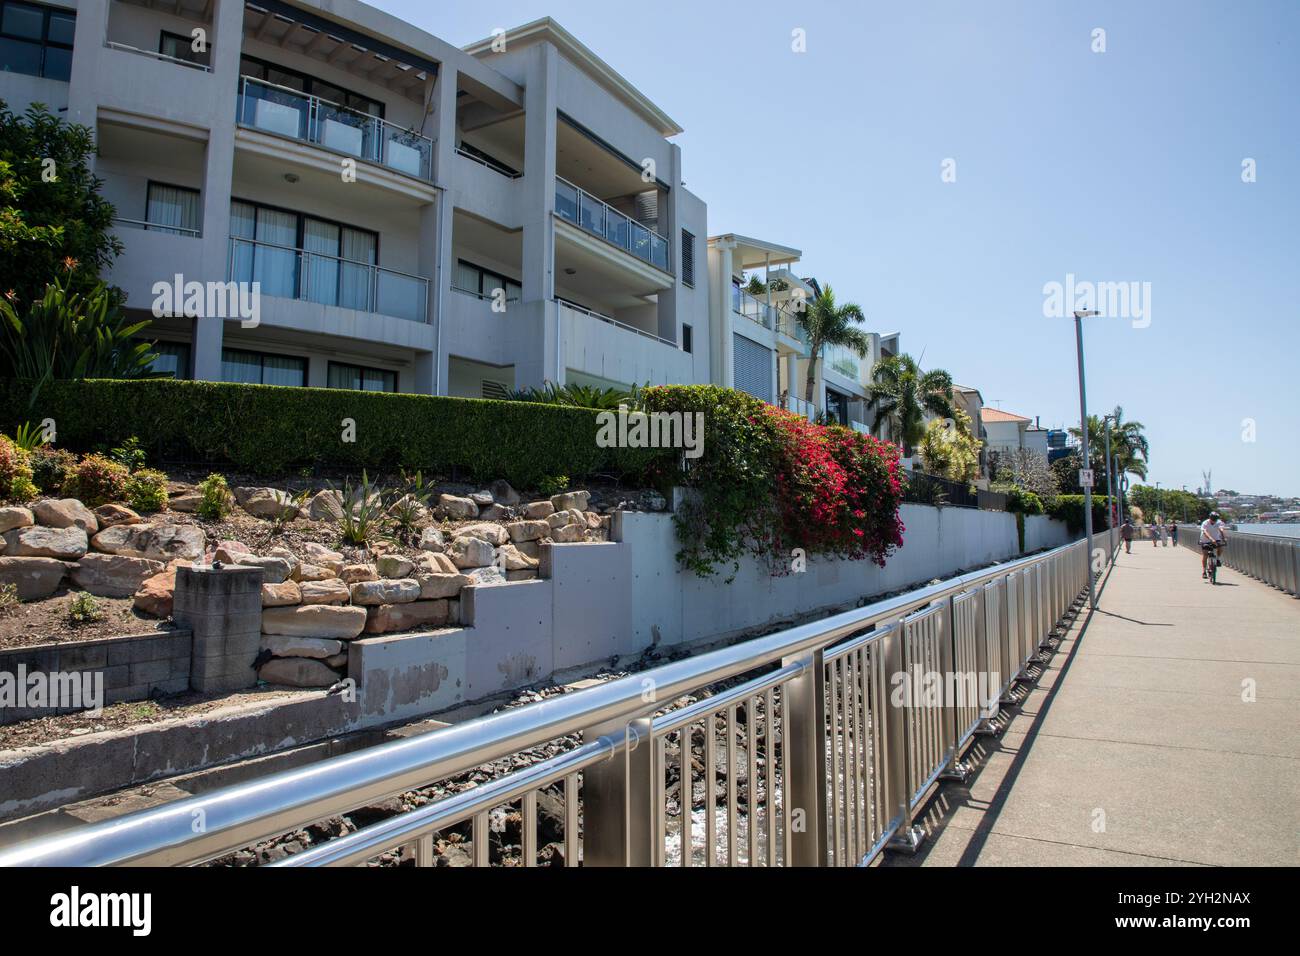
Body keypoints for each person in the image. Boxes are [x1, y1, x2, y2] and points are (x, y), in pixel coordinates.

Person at [1199, 511, 1228, 579]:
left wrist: (1224, 538)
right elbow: (1205, 532)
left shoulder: (1219, 522)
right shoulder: (1205, 523)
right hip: (1205, 539)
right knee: (1205, 554)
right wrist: (1211, 539)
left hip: (1216, 538)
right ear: (1210, 518)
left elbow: (1221, 529)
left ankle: (1217, 559)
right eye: (1212, 519)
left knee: (1220, 548)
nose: (1213, 521)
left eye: (1215, 519)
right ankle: (1204, 571)